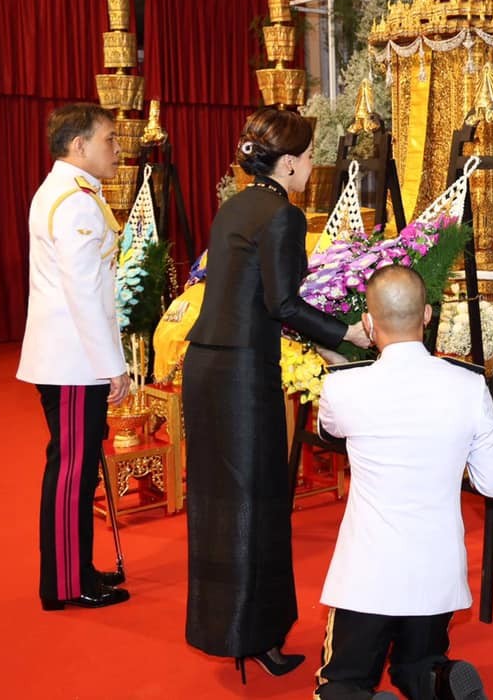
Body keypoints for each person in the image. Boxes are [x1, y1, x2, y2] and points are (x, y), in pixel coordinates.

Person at [182, 108, 370, 681]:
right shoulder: (282, 215)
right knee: (257, 504)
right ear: (288, 163)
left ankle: (228, 630)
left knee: (216, 502)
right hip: (241, 374)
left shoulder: (235, 206)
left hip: (205, 366)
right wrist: (347, 335)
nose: (313, 166)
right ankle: (256, 635)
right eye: (310, 156)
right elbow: (283, 304)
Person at [315, 265, 493, 700]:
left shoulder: (344, 388)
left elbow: (329, 430)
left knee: (340, 683)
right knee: (418, 666)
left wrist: (341, 364)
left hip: (366, 577)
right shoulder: (469, 385)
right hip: (436, 574)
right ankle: (441, 681)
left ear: (368, 322)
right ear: (427, 315)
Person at [17, 103, 131, 611]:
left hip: (73, 355)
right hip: (73, 360)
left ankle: (77, 568)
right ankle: (66, 582)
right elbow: (84, 291)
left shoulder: (72, 191)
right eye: (109, 139)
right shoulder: (75, 201)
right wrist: (114, 365)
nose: (117, 148)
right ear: (78, 145)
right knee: (71, 472)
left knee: (80, 470)